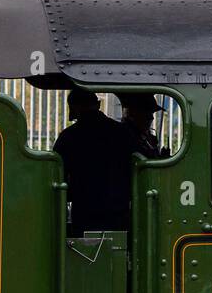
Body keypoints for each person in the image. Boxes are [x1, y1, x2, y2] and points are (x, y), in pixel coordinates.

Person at [54, 87, 144, 236]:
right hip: (119, 213)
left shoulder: (68, 137)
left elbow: (57, 177)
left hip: (84, 213)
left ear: (74, 109)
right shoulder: (123, 133)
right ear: (98, 104)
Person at [119, 92, 168, 159]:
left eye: (152, 113)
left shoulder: (144, 136)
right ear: (134, 113)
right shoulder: (127, 136)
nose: (152, 118)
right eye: (147, 113)